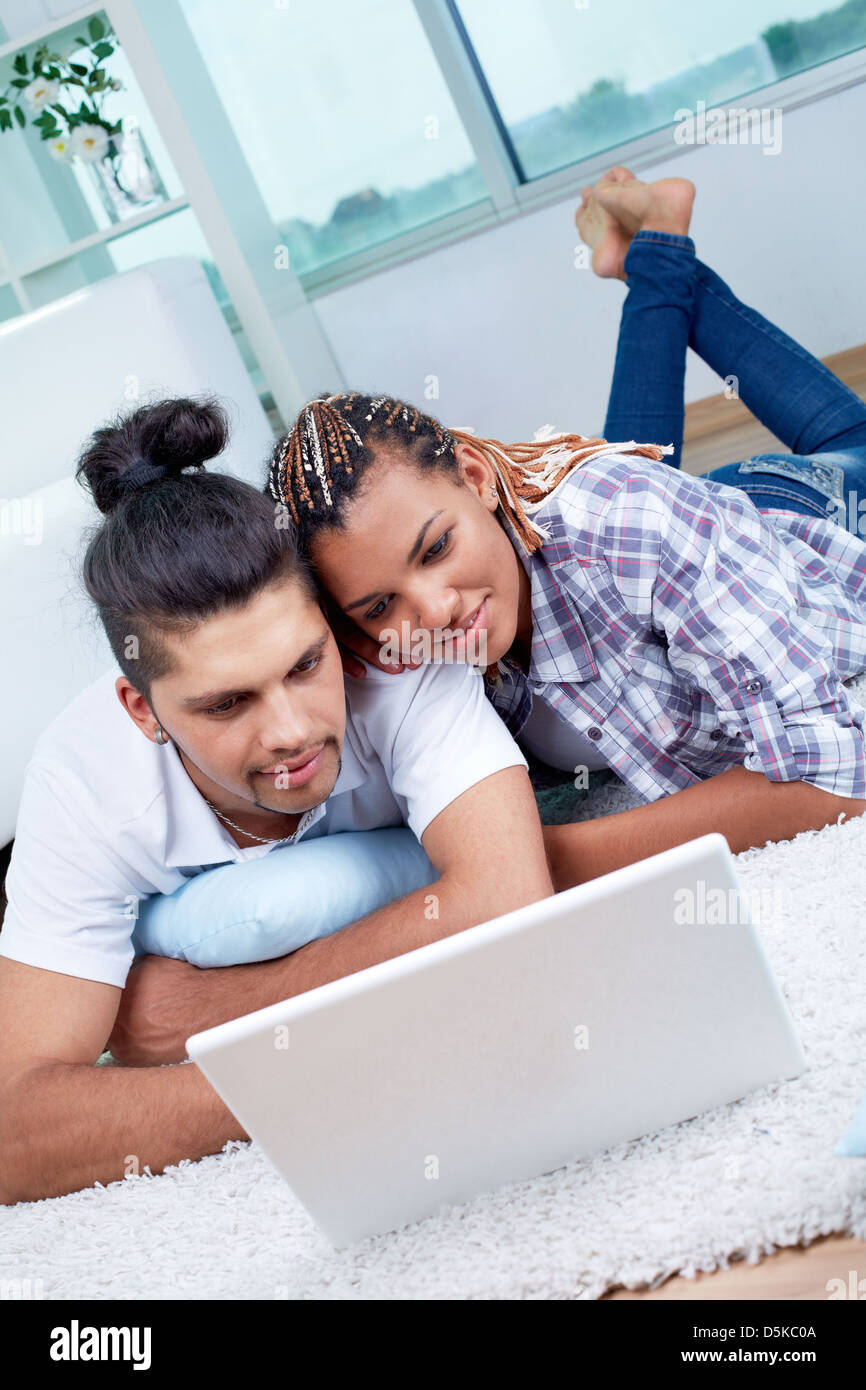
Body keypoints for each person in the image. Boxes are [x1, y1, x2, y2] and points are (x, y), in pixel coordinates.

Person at [0, 398, 553, 1204]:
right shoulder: (84, 779)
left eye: (304, 666)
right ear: (143, 710)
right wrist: (303, 1078)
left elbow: (508, 905)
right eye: (227, 705)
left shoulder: (395, 662)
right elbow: (17, 1130)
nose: (292, 732)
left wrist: (215, 1016)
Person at [267, 169, 866, 888]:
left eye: (436, 548)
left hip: (792, 520)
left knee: (849, 441)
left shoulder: (629, 523)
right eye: (378, 605)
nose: (433, 612)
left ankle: (661, 244)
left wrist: (530, 861)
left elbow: (838, 776)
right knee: (628, 479)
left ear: (479, 479)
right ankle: (656, 246)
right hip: (625, 544)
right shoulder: (398, 650)